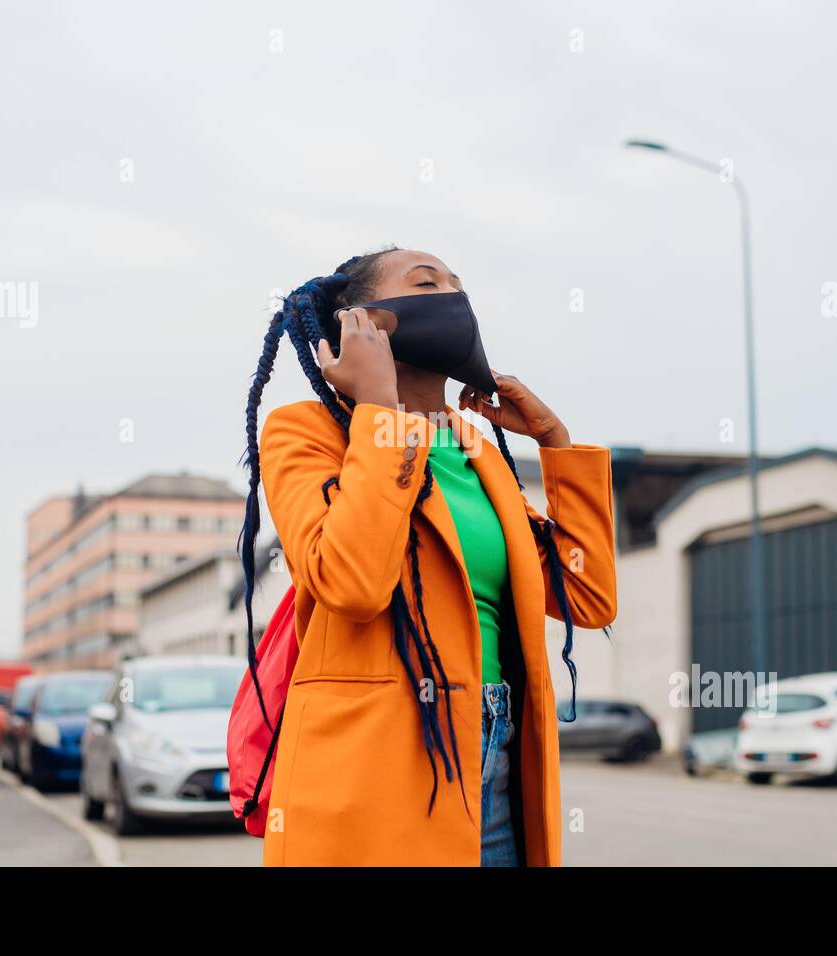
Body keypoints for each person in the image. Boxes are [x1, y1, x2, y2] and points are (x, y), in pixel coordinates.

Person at [240, 246, 617, 866]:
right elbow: (353, 583)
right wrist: (380, 411)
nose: (453, 298)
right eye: (427, 282)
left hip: (497, 763)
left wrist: (557, 446)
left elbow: (588, 596)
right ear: (361, 322)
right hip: (377, 775)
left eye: (458, 286)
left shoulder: (478, 454)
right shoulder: (305, 431)